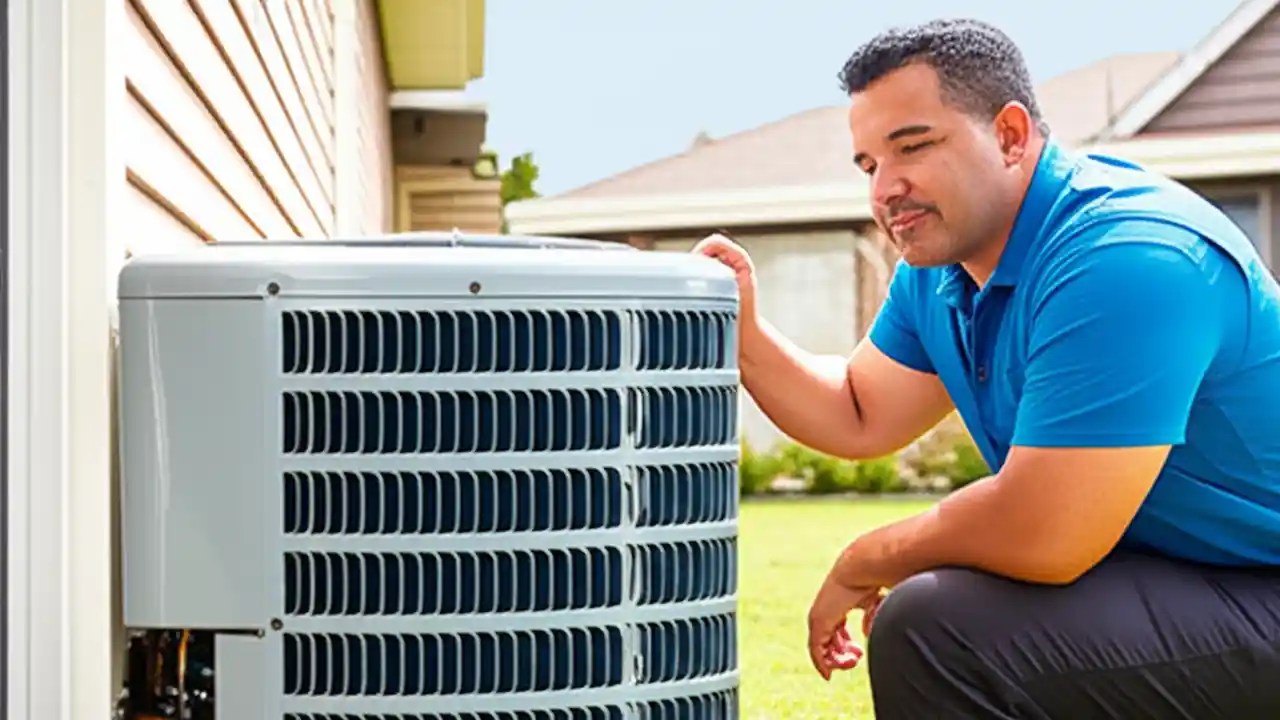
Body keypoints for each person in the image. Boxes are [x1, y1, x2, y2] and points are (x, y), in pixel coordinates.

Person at [695, 17, 1280, 719]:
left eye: (913, 146)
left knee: (940, 629)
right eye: (869, 165)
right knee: (960, 609)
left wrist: (868, 557)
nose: (886, 189)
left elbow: (1047, 528)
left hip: (1261, 583)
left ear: (1008, 135)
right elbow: (858, 410)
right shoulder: (943, 268)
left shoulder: (1129, 255)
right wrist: (744, 330)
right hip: (1190, 576)